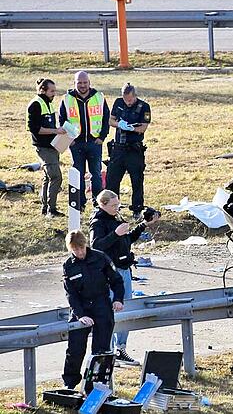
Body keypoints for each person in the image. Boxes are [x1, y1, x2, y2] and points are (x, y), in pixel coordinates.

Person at [89, 190, 159, 366]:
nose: (116, 208)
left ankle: (121, 348)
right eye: (113, 205)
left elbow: (127, 240)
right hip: (110, 273)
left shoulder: (117, 218)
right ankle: (108, 351)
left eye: (118, 205)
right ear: (102, 204)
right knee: (111, 311)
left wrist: (144, 224)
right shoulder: (98, 222)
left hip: (125, 269)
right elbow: (96, 246)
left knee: (126, 310)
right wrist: (115, 234)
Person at [61, 229, 124, 390]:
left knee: (100, 351)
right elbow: (71, 294)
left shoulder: (100, 258)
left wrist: (118, 299)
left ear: (85, 245)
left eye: (81, 248)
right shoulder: (68, 266)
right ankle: (70, 384)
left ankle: (96, 385)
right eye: (75, 250)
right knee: (75, 349)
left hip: (101, 304)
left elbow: (116, 280)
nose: (79, 252)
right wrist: (80, 315)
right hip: (81, 307)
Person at [58, 71, 110, 211]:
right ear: (74, 83)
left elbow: (106, 118)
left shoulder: (99, 97)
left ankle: (98, 204)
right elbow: (62, 120)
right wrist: (69, 140)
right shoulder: (67, 99)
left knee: (96, 174)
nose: (82, 85)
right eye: (79, 83)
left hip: (95, 142)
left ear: (89, 83)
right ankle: (79, 204)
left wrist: (102, 137)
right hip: (76, 143)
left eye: (85, 82)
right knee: (78, 175)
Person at [106, 83, 151, 219]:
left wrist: (132, 128)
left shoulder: (144, 107)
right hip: (118, 148)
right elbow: (111, 120)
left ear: (135, 96)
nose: (128, 102)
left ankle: (137, 209)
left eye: (130, 100)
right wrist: (119, 124)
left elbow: (143, 127)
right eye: (126, 99)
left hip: (134, 149)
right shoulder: (118, 102)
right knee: (112, 179)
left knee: (137, 180)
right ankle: (112, 209)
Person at [27, 78, 66, 217]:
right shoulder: (35, 104)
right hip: (43, 147)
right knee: (56, 177)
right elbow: (35, 129)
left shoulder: (48, 103)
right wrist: (56, 131)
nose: (54, 93)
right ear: (43, 90)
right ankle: (51, 209)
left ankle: (45, 208)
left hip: (52, 146)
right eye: (52, 91)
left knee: (48, 177)